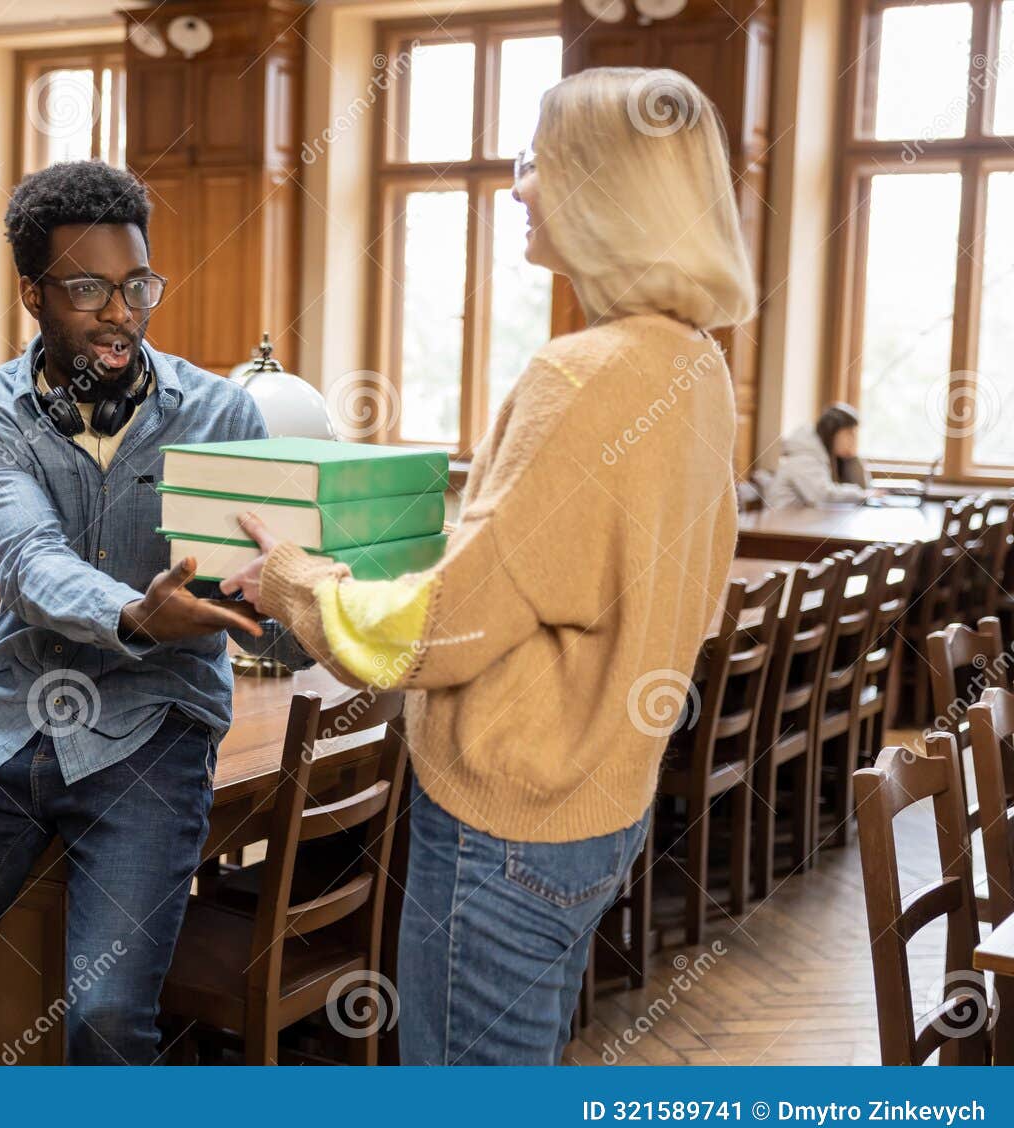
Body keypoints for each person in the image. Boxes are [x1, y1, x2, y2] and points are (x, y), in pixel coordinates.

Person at [219, 67, 753, 1064]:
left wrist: (294, 579)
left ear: (602, 190)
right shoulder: (693, 362)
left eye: (537, 162)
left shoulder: (581, 375)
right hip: (600, 801)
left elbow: (447, 628)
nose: (518, 186)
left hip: (508, 822)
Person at [0, 160, 310, 1064]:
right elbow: (32, 561)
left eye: (138, 285)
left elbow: (278, 615)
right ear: (33, 293)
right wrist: (136, 615)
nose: (122, 312)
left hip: (156, 729)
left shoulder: (222, 414)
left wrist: (303, 586)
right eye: (90, 288)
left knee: (104, 1022)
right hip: (6, 726)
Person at [763, 402, 872, 508]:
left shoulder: (823, 456)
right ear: (832, 432)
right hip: (781, 523)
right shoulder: (805, 457)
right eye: (849, 433)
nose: (853, 440)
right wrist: (861, 494)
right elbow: (823, 496)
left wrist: (853, 459)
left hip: (800, 521)